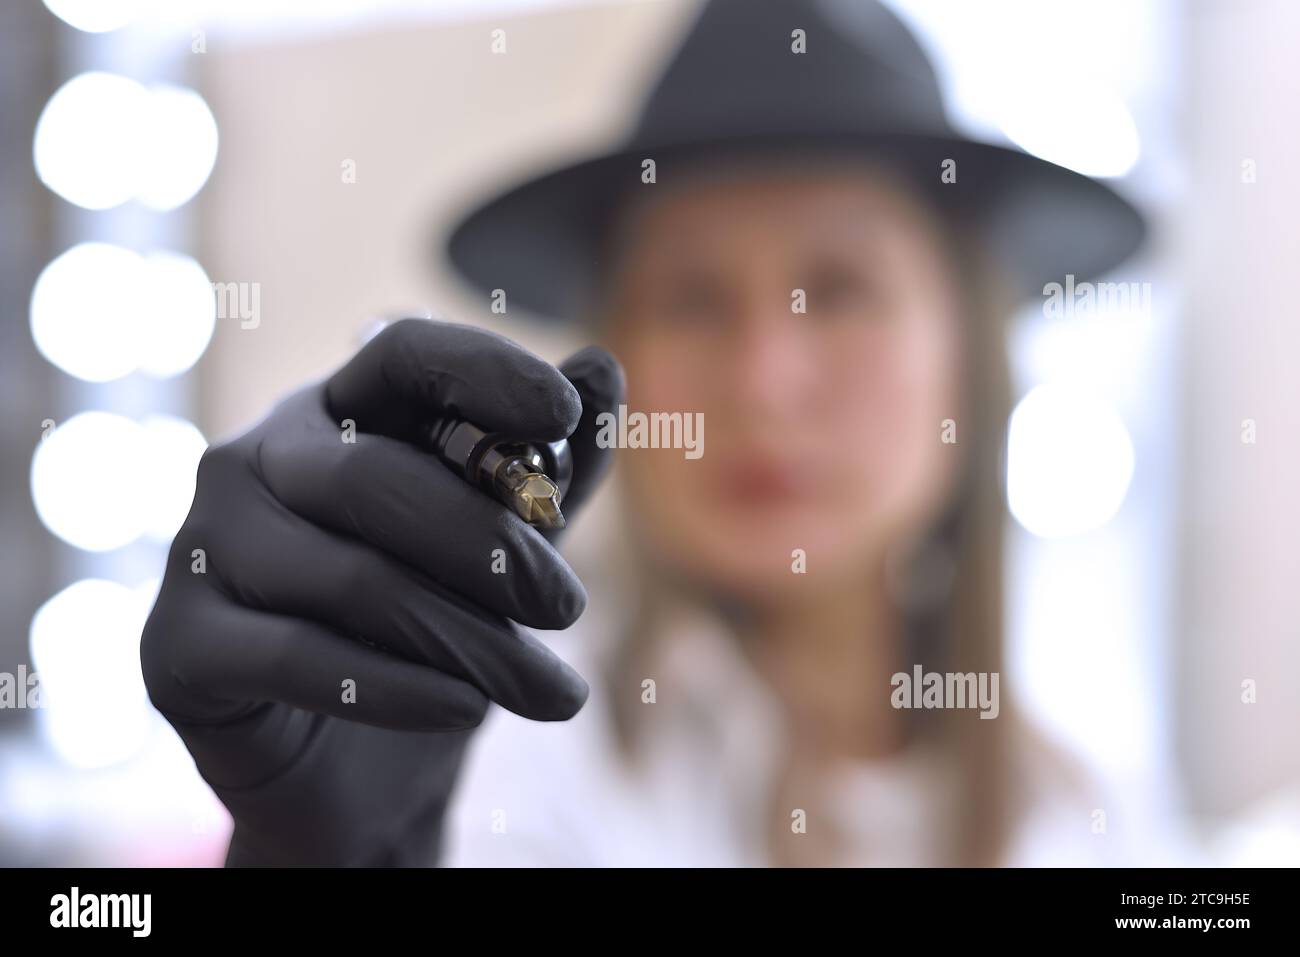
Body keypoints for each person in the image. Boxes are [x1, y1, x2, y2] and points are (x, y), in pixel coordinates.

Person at [141, 0, 1146, 866]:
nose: (763, 382)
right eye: (693, 301)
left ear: (967, 357)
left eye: (839, 290)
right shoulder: (499, 758)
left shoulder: (1098, 817)